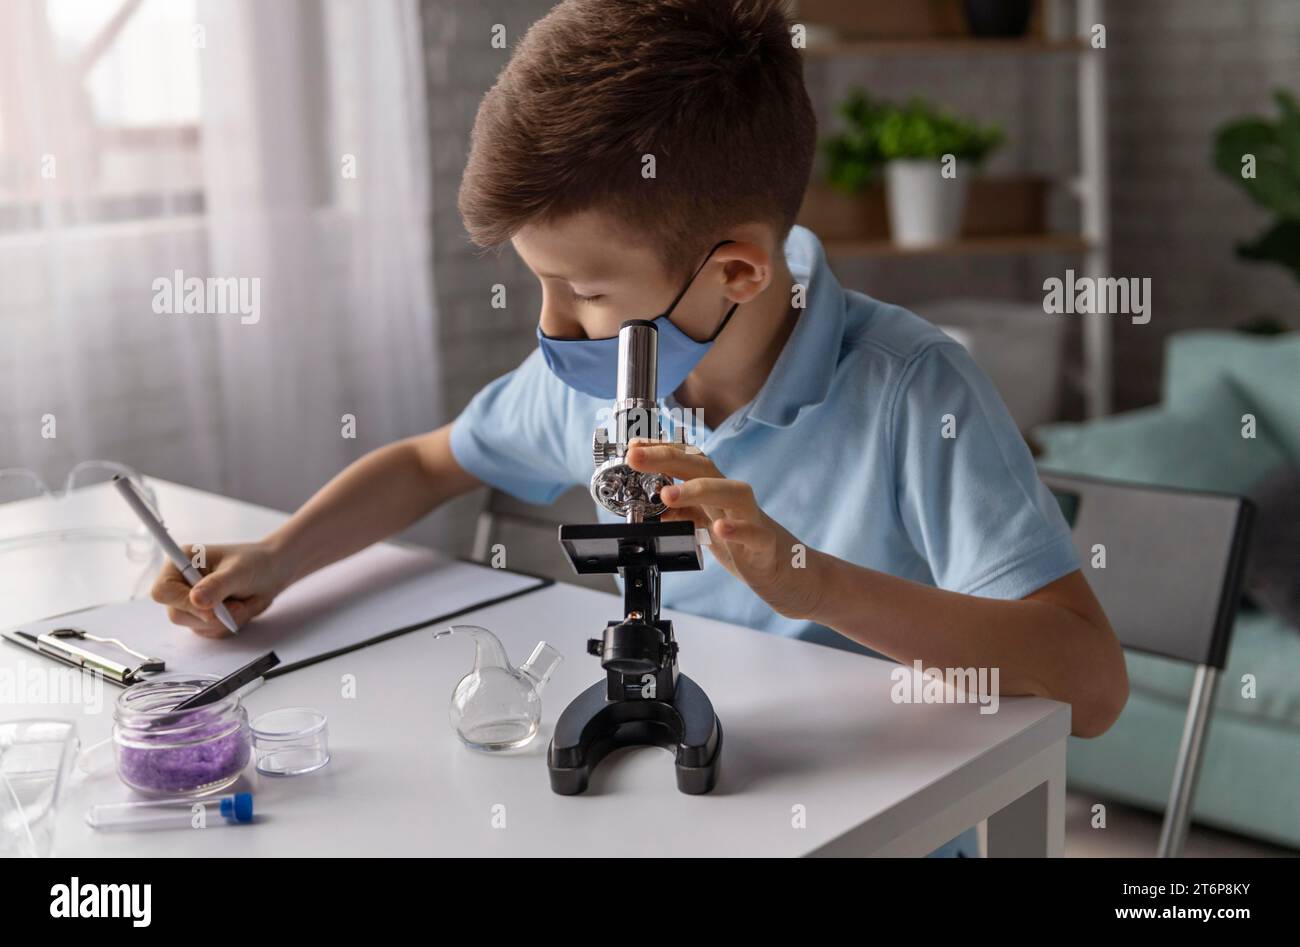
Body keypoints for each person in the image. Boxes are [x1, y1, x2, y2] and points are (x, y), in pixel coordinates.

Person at [151, 0, 1128, 858]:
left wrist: (808, 579)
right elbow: (424, 462)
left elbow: (1089, 687)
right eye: (538, 283)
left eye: (580, 291)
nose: (551, 326)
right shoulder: (591, 383)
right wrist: (279, 555)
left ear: (736, 273)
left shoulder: (914, 389)